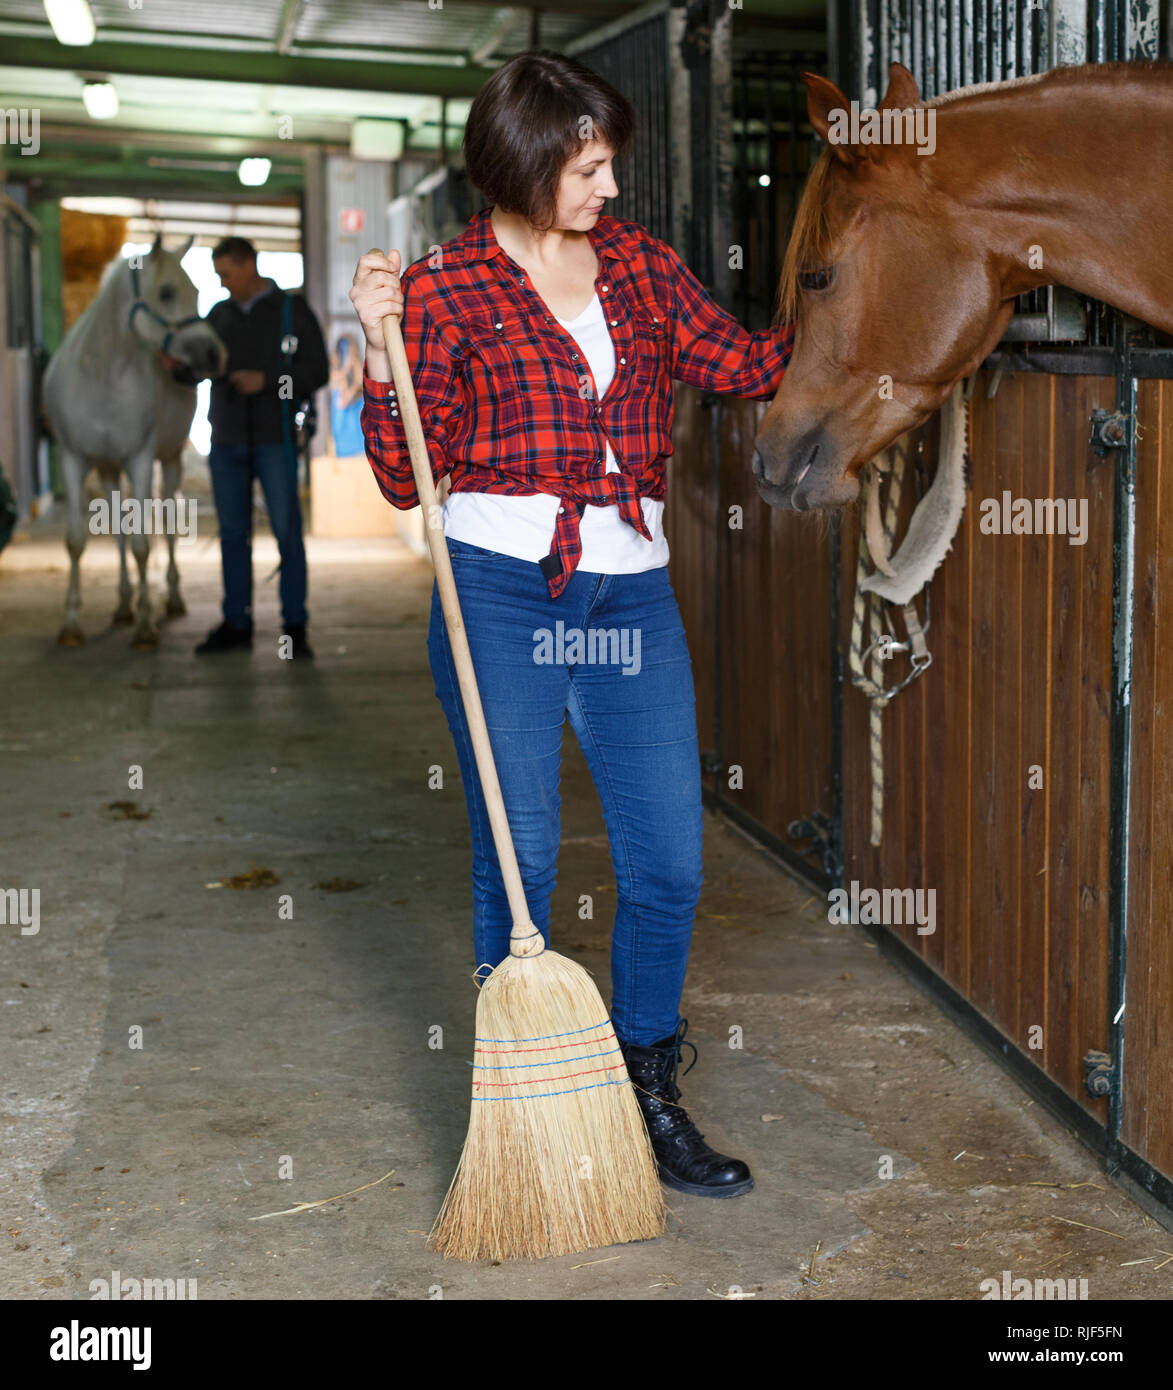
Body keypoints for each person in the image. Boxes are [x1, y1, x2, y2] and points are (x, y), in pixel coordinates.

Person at [350, 50, 794, 1199]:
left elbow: (747, 365)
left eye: (610, 165)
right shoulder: (445, 289)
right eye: (589, 168)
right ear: (528, 163)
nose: (608, 188)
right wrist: (375, 348)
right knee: (523, 853)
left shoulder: (641, 268)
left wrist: (883, 323)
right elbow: (408, 478)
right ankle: (530, 1113)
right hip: (498, 589)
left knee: (670, 859)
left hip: (630, 594)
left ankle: (649, 1090)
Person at [196, 235, 328, 659]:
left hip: (276, 440)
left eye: (226, 274)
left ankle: (294, 630)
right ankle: (237, 623)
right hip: (227, 441)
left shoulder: (292, 311)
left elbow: (316, 371)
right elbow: (201, 366)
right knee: (233, 536)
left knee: (287, 534)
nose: (222, 284)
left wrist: (267, 381)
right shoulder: (218, 316)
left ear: (249, 265)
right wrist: (181, 366)